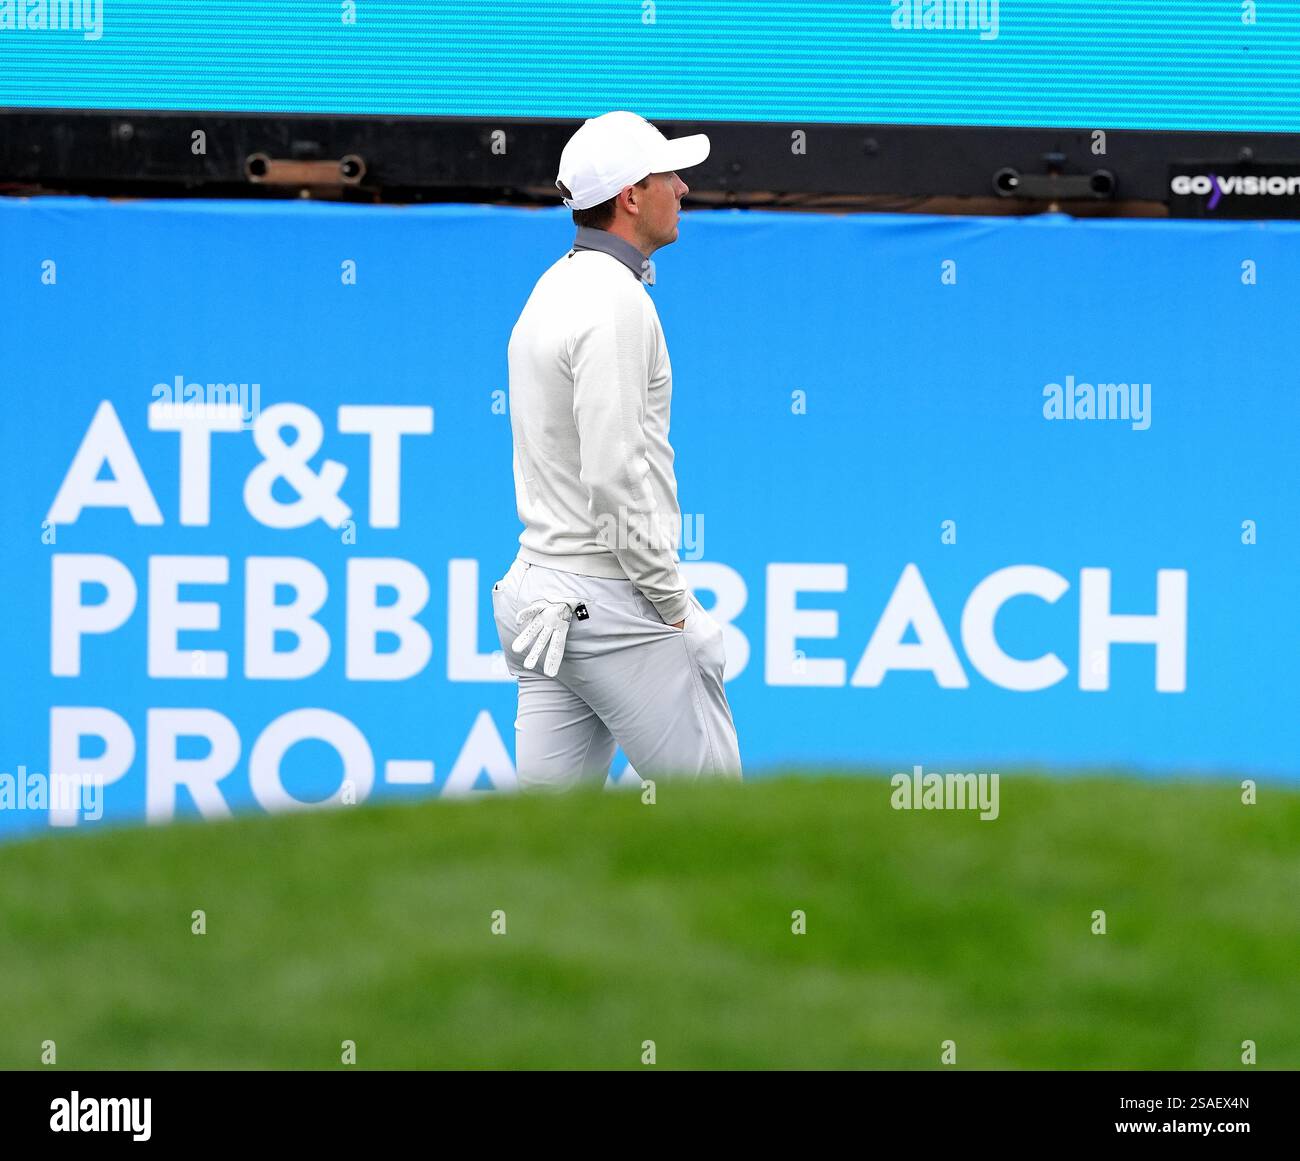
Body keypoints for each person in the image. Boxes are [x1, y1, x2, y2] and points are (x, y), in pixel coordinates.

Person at [492, 110, 742, 792]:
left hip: (541, 596)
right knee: (719, 815)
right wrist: (678, 610)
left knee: (547, 839)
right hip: (603, 601)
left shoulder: (556, 286)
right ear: (632, 196)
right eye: (669, 176)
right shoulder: (614, 301)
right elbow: (613, 477)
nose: (684, 188)